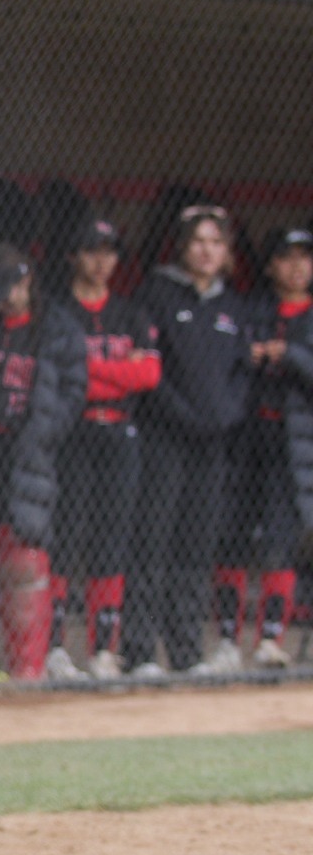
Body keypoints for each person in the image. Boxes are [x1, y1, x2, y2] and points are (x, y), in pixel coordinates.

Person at [122, 206, 251, 677]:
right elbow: (149, 371)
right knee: (153, 541)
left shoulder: (231, 306)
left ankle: (186, 651)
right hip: (165, 440)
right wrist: (187, 415)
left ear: (227, 251)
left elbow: (241, 374)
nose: (207, 251)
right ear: (182, 245)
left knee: (196, 547)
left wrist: (224, 415)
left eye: (216, 243)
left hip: (212, 444)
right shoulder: (156, 293)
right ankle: (138, 652)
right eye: (199, 241)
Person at [0, 245, 86, 682]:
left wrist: (45, 433)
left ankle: (27, 667)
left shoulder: (57, 327)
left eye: (9, 290)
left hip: (26, 453)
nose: (1, 302)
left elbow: (73, 389)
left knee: (23, 558)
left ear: (28, 282)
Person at [48, 217, 161, 680]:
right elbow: (58, 374)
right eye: (91, 251)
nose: (102, 261)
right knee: (65, 536)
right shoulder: (58, 312)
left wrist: (92, 372)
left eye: (109, 252)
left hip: (120, 435)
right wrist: (117, 370)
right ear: (72, 256)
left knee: (111, 541)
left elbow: (150, 376)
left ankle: (103, 652)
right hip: (72, 434)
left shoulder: (130, 313)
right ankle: (54, 649)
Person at [208, 226, 313, 671]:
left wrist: (289, 354)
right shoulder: (251, 308)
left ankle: (270, 639)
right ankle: (228, 640)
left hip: (294, 443)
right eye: (286, 257)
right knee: (230, 536)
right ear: (270, 265)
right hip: (247, 436)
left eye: (304, 257)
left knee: (281, 541)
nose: (296, 266)